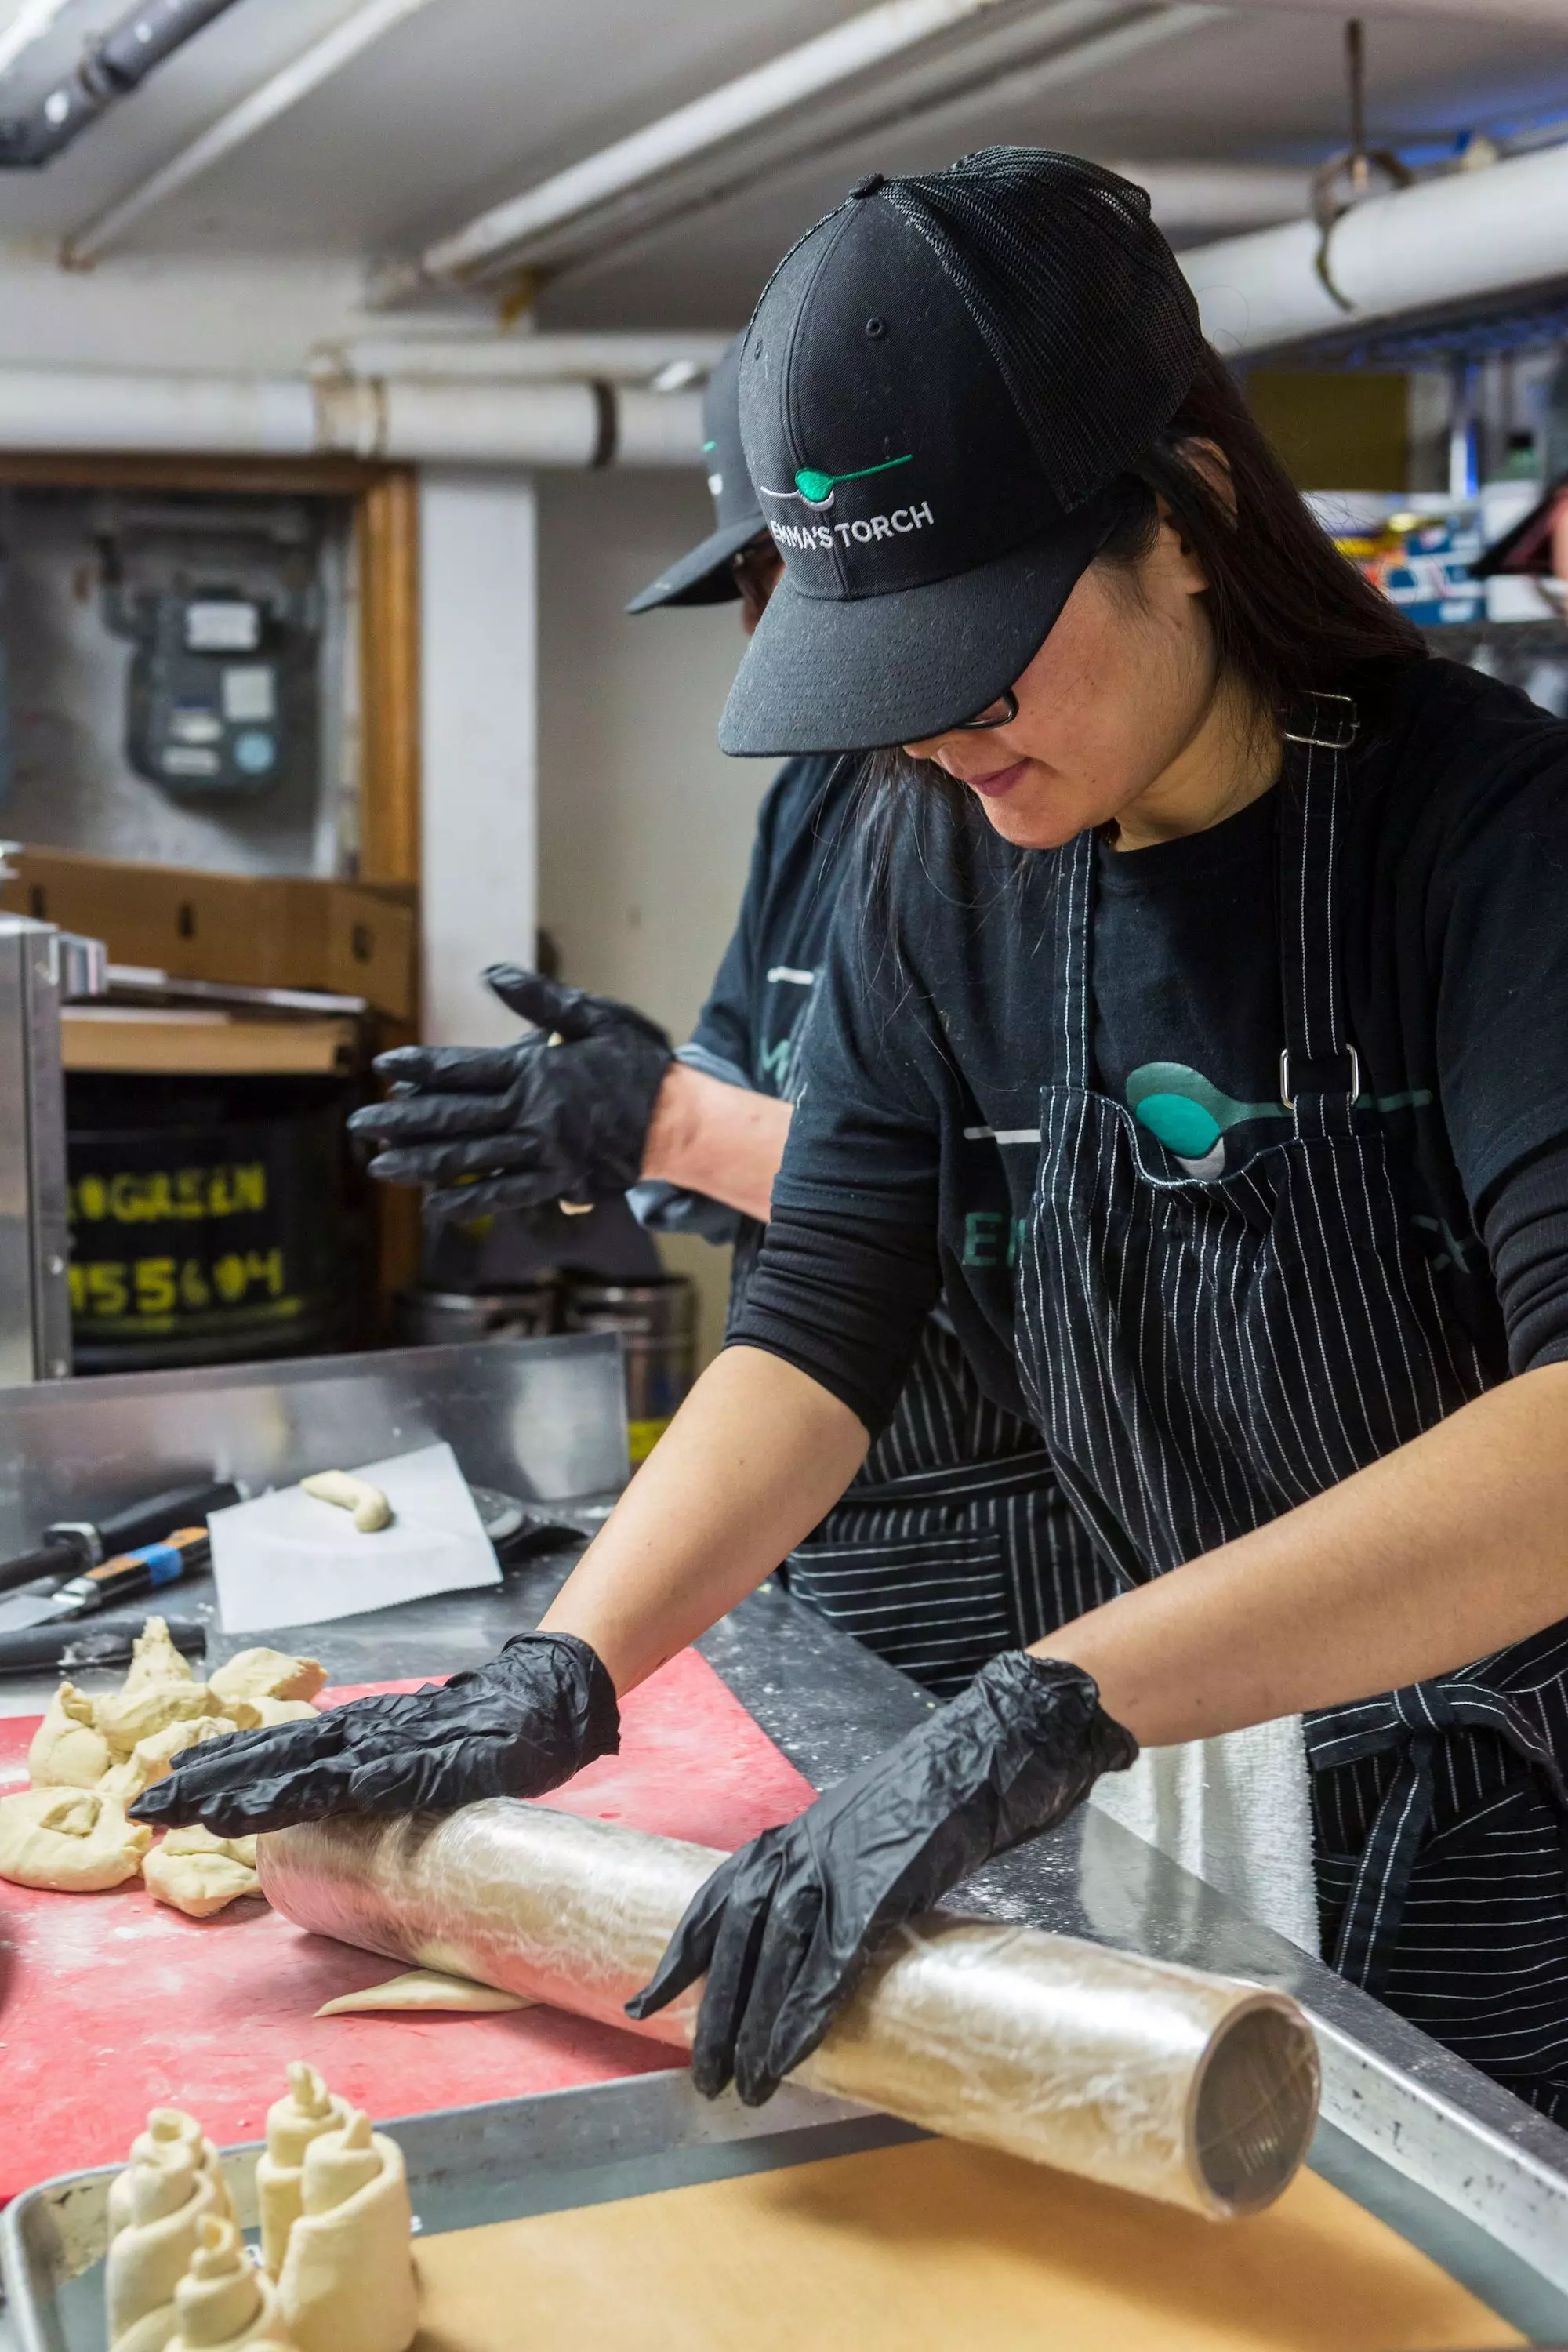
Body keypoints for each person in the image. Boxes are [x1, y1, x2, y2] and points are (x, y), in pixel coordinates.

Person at [143, 151, 1568, 2129]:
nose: (933, 739)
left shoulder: (1495, 843)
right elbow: (826, 1314)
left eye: (979, 654)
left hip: (1525, 1801)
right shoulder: (939, 857)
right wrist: (566, 1669)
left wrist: (1045, 1700)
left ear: (1190, 517)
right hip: (1209, 1761)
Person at [347, 334, 1090, 1700]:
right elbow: (736, 1072)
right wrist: (641, 1109)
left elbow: (1026, 1212)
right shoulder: (815, 795)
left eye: (777, 581)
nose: (768, 636)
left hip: (1010, 1530)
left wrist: (681, 1125)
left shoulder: (1033, 806)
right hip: (801, 1477)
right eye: (748, 589)